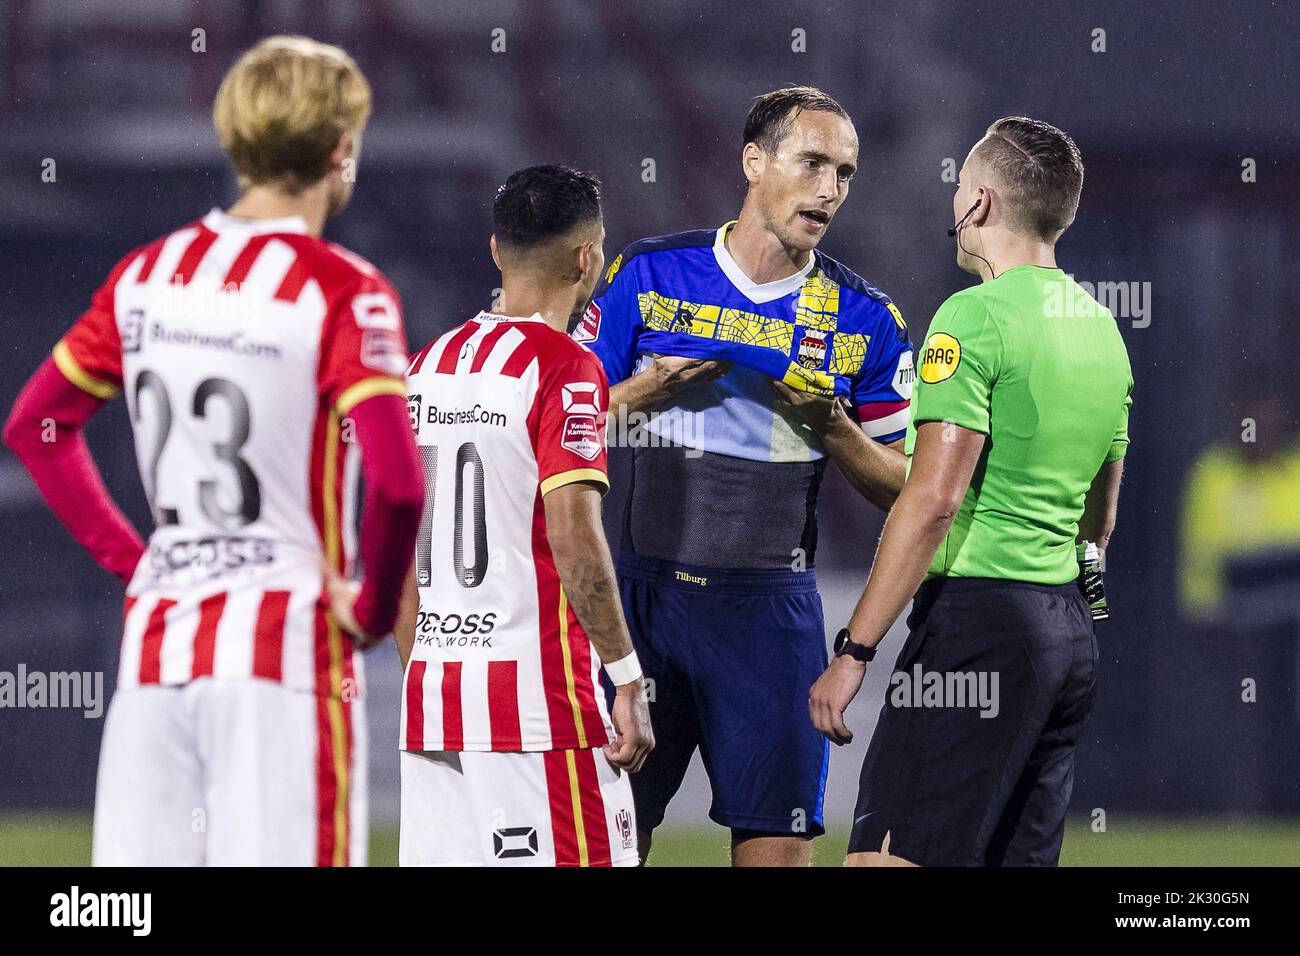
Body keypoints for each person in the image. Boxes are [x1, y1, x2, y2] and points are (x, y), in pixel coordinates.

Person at [2, 35, 424, 866]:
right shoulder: (341, 287)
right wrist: (370, 613)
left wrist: (137, 562)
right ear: (342, 151)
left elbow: (36, 429)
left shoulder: (147, 274)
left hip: (156, 653)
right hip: (283, 650)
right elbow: (400, 485)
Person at [577, 86, 914, 866]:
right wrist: (641, 393)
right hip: (640, 609)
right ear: (754, 162)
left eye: (846, 172)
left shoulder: (866, 317)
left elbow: (904, 484)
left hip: (768, 625)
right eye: (813, 162)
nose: (830, 188)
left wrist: (831, 428)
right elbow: (567, 431)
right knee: (604, 845)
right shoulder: (652, 272)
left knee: (773, 850)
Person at [809, 116, 1133, 867]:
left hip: (979, 626)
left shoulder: (973, 317)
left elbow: (932, 500)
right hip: (1065, 636)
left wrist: (855, 650)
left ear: (980, 202)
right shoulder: (1102, 329)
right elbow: (1099, 520)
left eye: (960, 188)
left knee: (883, 862)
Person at [396, 165, 653, 867]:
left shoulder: (426, 367)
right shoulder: (566, 366)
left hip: (434, 705)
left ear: (494, 250)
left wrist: (431, 673)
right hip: (540, 716)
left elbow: (394, 547)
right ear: (587, 257)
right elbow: (573, 536)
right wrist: (626, 679)